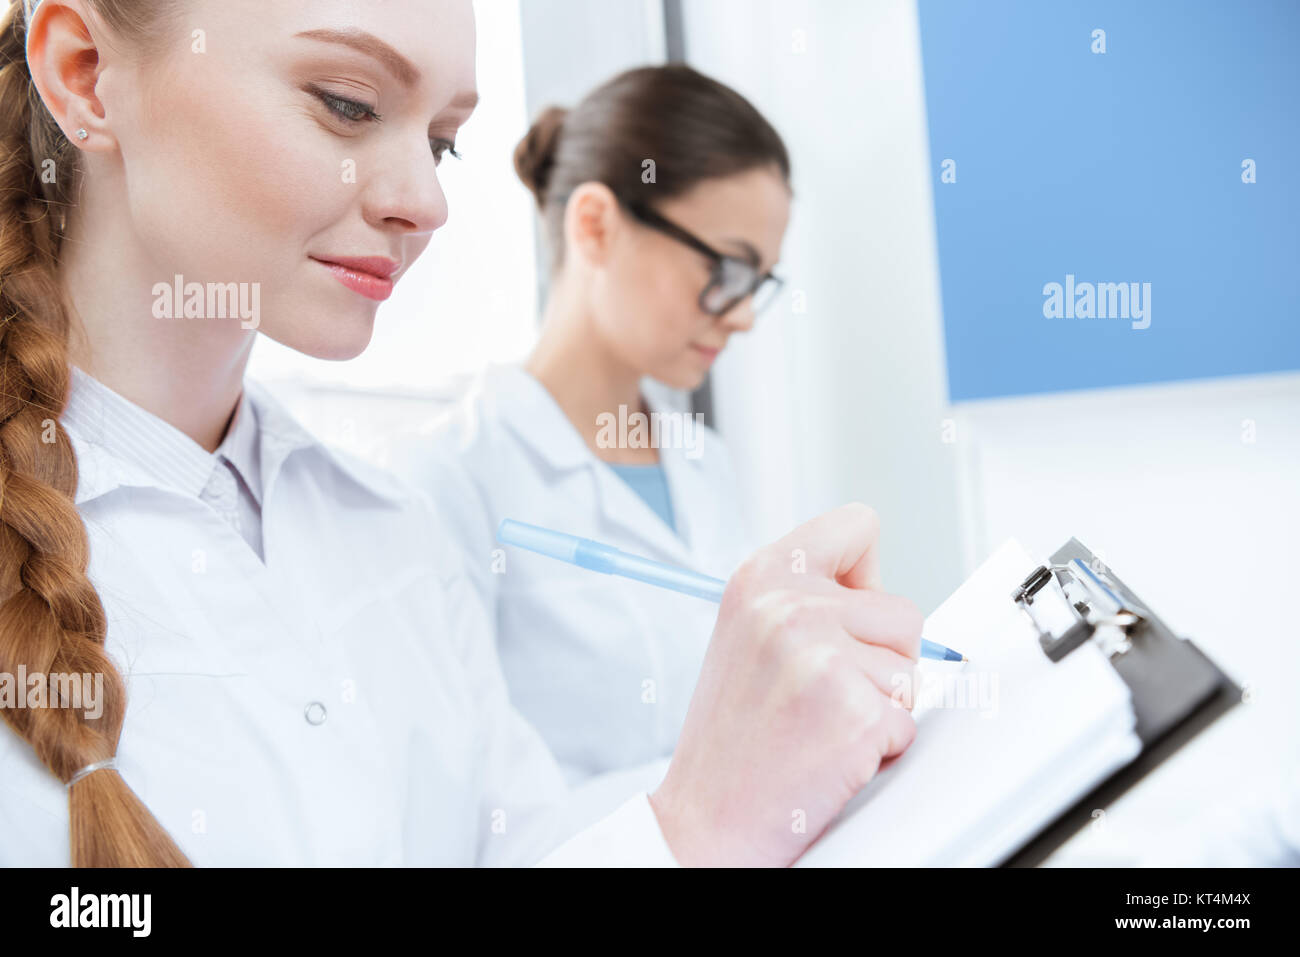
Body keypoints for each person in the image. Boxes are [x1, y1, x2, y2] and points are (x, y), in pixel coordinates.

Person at [0, 0, 922, 868]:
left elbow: (518, 843)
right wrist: (695, 819)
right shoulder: (447, 477)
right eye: (348, 105)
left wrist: (762, 769)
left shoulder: (388, 532)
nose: (426, 204)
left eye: (442, 143)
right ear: (84, 74)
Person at [390, 65, 790, 785]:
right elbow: (467, 796)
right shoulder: (449, 477)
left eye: (758, 282)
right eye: (728, 271)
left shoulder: (704, 462)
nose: (741, 315)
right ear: (596, 225)